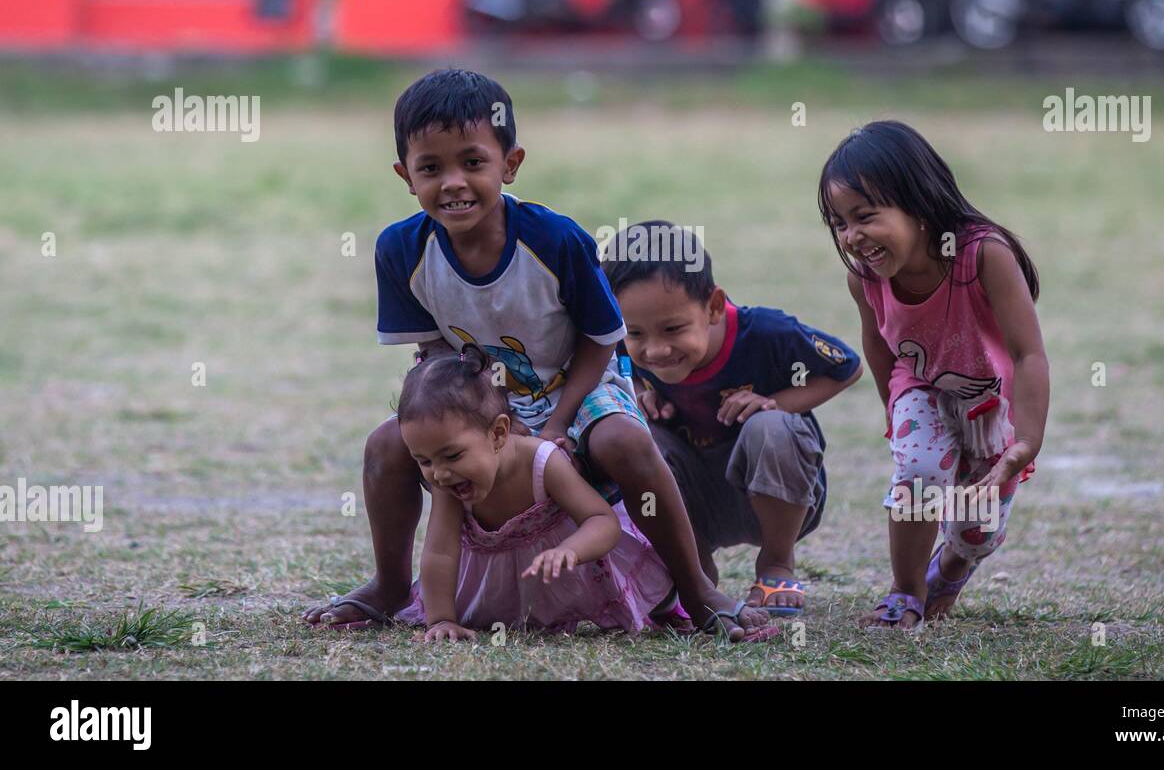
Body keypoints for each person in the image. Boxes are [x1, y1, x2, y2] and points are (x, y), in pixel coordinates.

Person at [302, 69, 772, 641]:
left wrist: (555, 423)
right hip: (481, 392)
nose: (454, 183)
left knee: (623, 441)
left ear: (511, 163)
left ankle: (697, 589)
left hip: (578, 380)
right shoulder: (401, 250)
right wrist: (453, 412)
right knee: (386, 445)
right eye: (431, 168)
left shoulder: (554, 241)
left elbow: (602, 341)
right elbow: (432, 352)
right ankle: (391, 584)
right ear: (405, 175)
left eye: (473, 162)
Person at [818, 121, 1048, 629]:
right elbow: (877, 344)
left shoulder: (983, 255)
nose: (852, 237)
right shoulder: (865, 278)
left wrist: (1025, 444)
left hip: (989, 398)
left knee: (977, 531)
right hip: (920, 385)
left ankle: (951, 564)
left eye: (865, 217)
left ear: (919, 206)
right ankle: (906, 593)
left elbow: (1029, 354)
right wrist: (894, 412)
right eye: (839, 223)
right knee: (919, 473)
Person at [603, 221, 863, 616]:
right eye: (636, 333)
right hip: (694, 497)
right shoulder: (623, 346)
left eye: (673, 328)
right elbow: (625, 365)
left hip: (777, 494)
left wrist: (773, 401)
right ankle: (693, 569)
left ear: (712, 306)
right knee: (632, 434)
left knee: (771, 427)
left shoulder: (768, 333)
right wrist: (642, 394)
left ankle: (777, 563)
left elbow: (848, 367)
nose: (656, 350)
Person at [391, 344, 681, 638]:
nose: (439, 473)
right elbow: (440, 552)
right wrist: (440, 620)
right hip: (499, 587)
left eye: (452, 455)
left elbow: (602, 520)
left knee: (650, 585)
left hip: (574, 574)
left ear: (498, 433)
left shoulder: (542, 461)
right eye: (423, 461)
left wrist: (571, 550)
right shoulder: (448, 484)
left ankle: (670, 605)